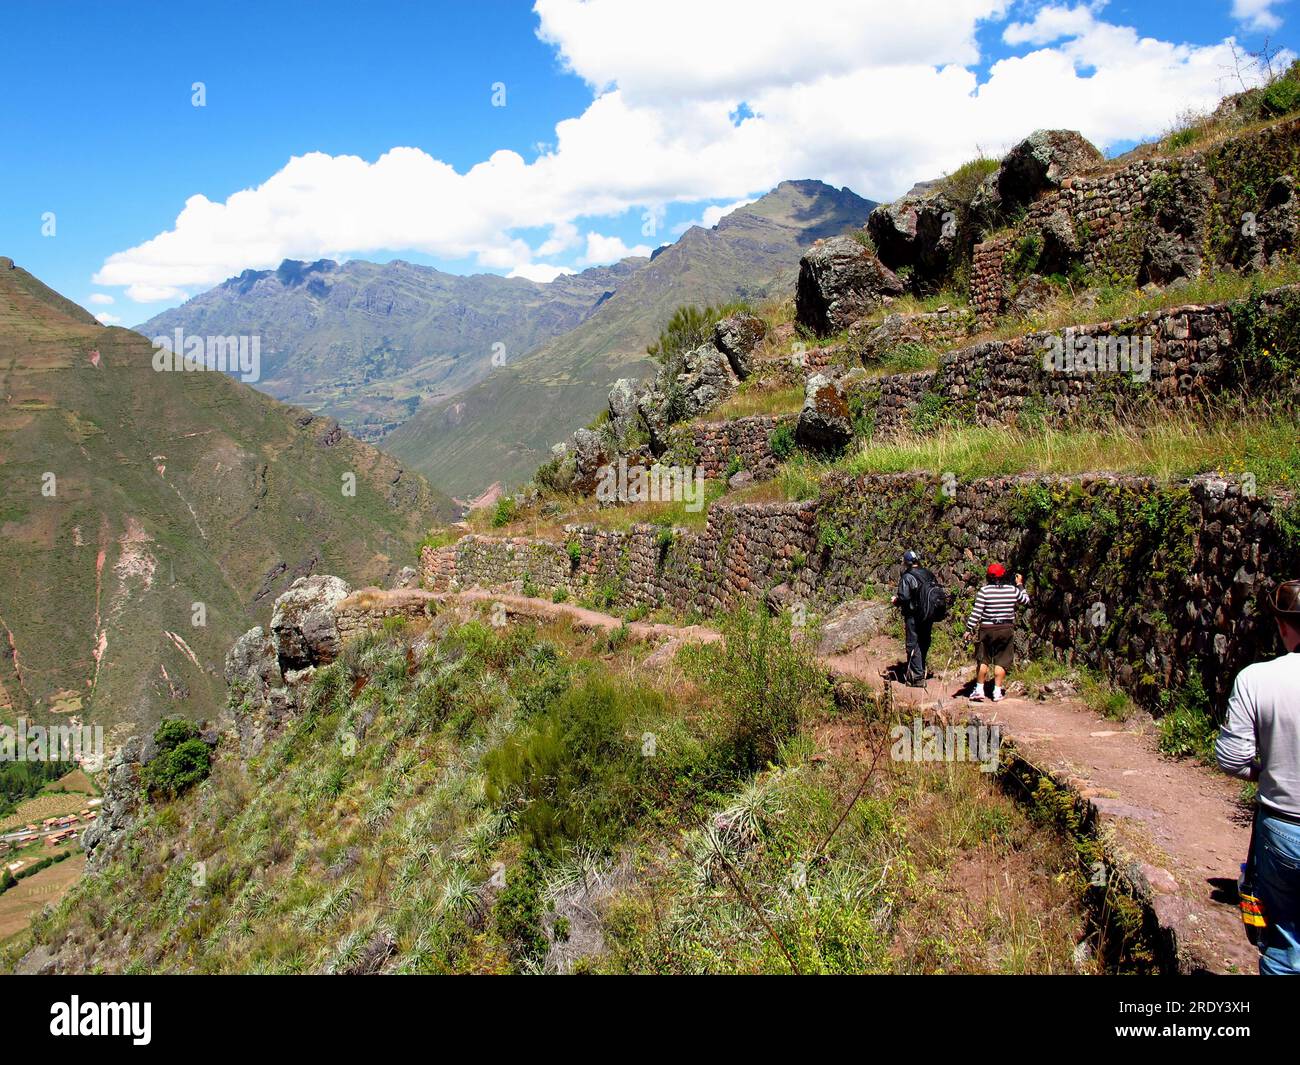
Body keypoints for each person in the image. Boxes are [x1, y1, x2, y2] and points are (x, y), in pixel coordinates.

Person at [1215, 579, 1300, 976]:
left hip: (1283, 826)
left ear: (1283, 626)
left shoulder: (1257, 679)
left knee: (1284, 950)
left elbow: (1232, 759)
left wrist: (1269, 772)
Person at [965, 563, 1028, 702]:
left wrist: (968, 629)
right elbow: (1025, 600)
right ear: (1004, 575)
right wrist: (1019, 584)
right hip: (1006, 629)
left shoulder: (984, 591)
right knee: (1002, 659)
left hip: (987, 629)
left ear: (988, 576)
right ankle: (997, 692)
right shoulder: (1012, 590)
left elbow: (977, 613)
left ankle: (980, 690)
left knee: (983, 659)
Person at [891, 549, 935, 687]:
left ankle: (917, 678)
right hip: (928, 614)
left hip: (913, 616)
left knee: (913, 644)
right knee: (924, 642)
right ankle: (920, 670)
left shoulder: (907, 576)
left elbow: (904, 597)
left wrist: (895, 601)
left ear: (906, 562)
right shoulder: (928, 574)